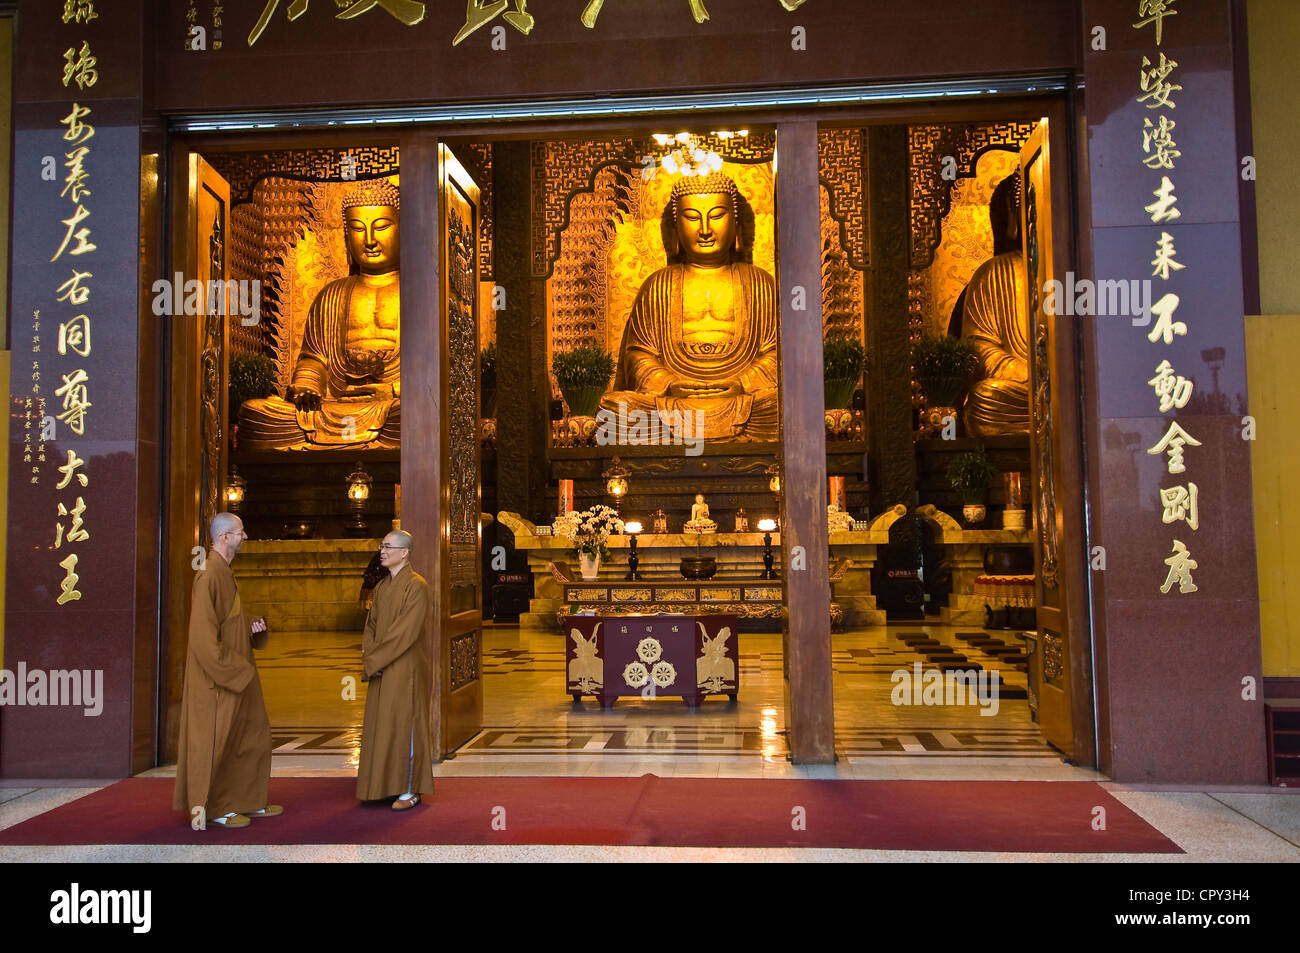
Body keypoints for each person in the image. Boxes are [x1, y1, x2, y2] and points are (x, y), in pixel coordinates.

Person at [600, 171, 780, 441]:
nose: (705, 229)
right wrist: (670, 383)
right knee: (615, 411)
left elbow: (778, 353)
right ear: (675, 226)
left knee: (787, 406)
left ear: (736, 223)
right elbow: (637, 356)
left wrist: (741, 383)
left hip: (747, 402)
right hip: (671, 404)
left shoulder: (759, 284)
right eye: (693, 217)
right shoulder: (659, 285)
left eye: (717, 215)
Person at [238, 180, 402, 449]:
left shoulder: (421, 294)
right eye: (358, 228)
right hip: (332, 407)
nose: (370, 240)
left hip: (395, 408)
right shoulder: (332, 295)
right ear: (346, 237)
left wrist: (395, 390)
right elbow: (314, 360)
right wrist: (307, 388)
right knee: (256, 413)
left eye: (381, 226)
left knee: (423, 416)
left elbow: (438, 373)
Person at [172, 512, 282, 829]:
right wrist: (234, 670)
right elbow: (203, 639)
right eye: (240, 532)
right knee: (218, 741)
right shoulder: (208, 575)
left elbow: (227, 623)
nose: (245, 537)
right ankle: (218, 807)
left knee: (253, 735)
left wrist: (251, 628)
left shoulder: (225, 572)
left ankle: (248, 799)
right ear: (225, 538)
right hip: (220, 678)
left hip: (238, 672)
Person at [357, 530, 434, 810]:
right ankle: (380, 785)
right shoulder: (381, 588)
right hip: (381, 665)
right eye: (382, 545)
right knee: (383, 724)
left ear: (404, 553)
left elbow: (406, 631)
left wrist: (376, 659)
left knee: (405, 724)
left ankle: (409, 789)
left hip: (404, 666)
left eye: (388, 546)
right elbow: (372, 627)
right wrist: (370, 657)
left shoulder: (417, 586)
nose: (382, 551)